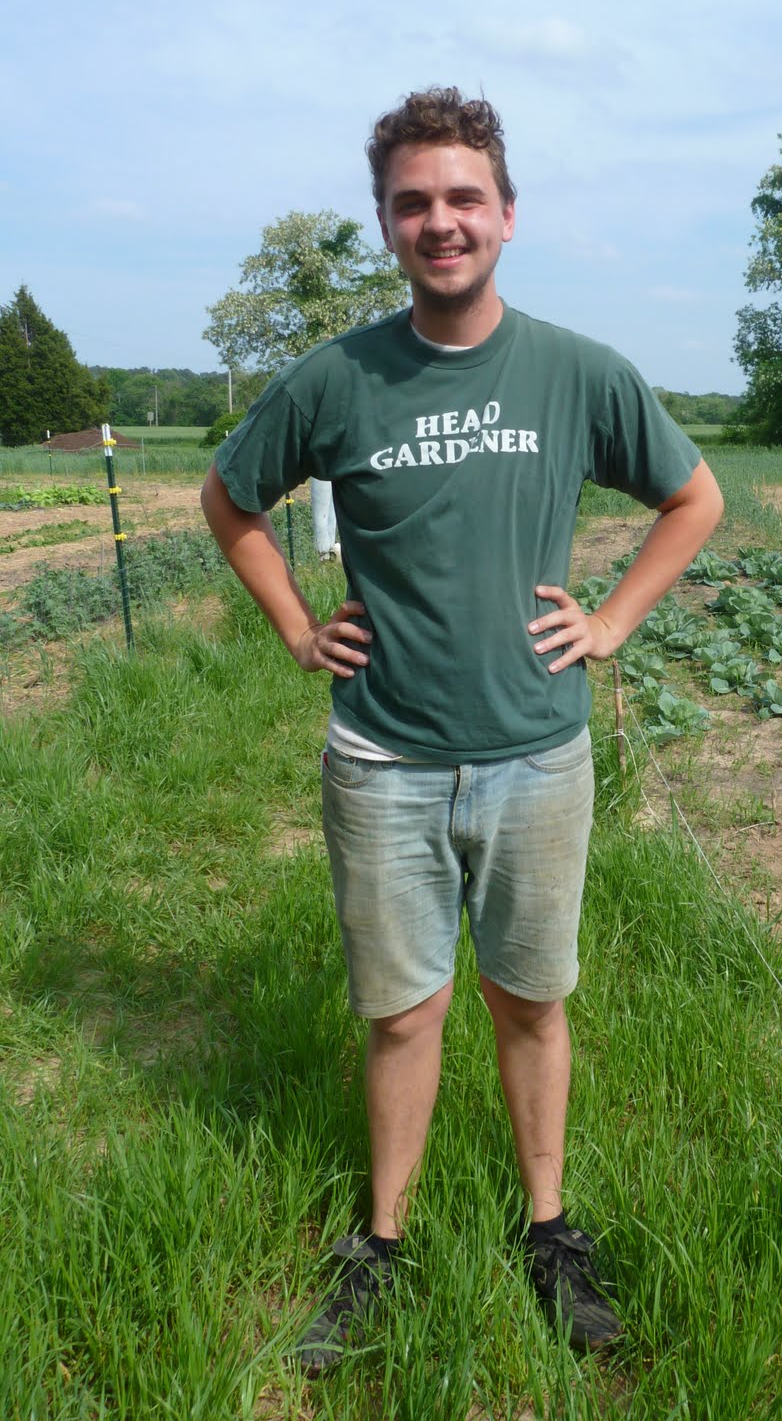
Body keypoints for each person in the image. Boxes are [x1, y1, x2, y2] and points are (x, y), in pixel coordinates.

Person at [200, 87, 723, 1372]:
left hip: (537, 750)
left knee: (531, 999)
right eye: (414, 203)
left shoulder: (576, 371)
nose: (441, 222)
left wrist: (612, 620)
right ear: (387, 224)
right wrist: (295, 627)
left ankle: (549, 1229)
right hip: (382, 758)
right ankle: (381, 1243)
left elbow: (695, 498)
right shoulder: (337, 378)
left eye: (463, 198)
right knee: (402, 1012)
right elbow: (228, 499)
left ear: (507, 215)